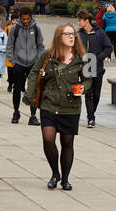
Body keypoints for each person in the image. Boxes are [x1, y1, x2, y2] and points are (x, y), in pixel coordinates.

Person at [25, 23, 91, 190]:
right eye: (67, 34)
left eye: (73, 34)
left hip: (70, 106)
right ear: (58, 37)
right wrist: (30, 94)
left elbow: (89, 79)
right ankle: (55, 173)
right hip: (49, 102)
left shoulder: (83, 57)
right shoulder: (49, 55)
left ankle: (66, 179)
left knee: (67, 143)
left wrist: (84, 87)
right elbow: (34, 72)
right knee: (48, 139)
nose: (71, 37)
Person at [6, 7, 46, 125]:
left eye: (28, 19)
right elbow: (9, 47)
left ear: (31, 17)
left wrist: (38, 61)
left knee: (33, 89)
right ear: (20, 17)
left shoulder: (36, 28)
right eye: (23, 19)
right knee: (17, 88)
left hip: (33, 64)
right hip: (18, 63)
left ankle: (33, 115)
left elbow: (40, 46)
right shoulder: (15, 29)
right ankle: (16, 111)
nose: (26, 21)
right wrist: (12, 61)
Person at [76, 12, 113, 128]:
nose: (78, 23)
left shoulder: (99, 33)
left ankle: (92, 113)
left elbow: (109, 48)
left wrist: (98, 58)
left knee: (96, 94)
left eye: (80, 20)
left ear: (86, 20)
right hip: (85, 69)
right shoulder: (79, 35)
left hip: (98, 68)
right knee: (88, 94)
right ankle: (90, 118)